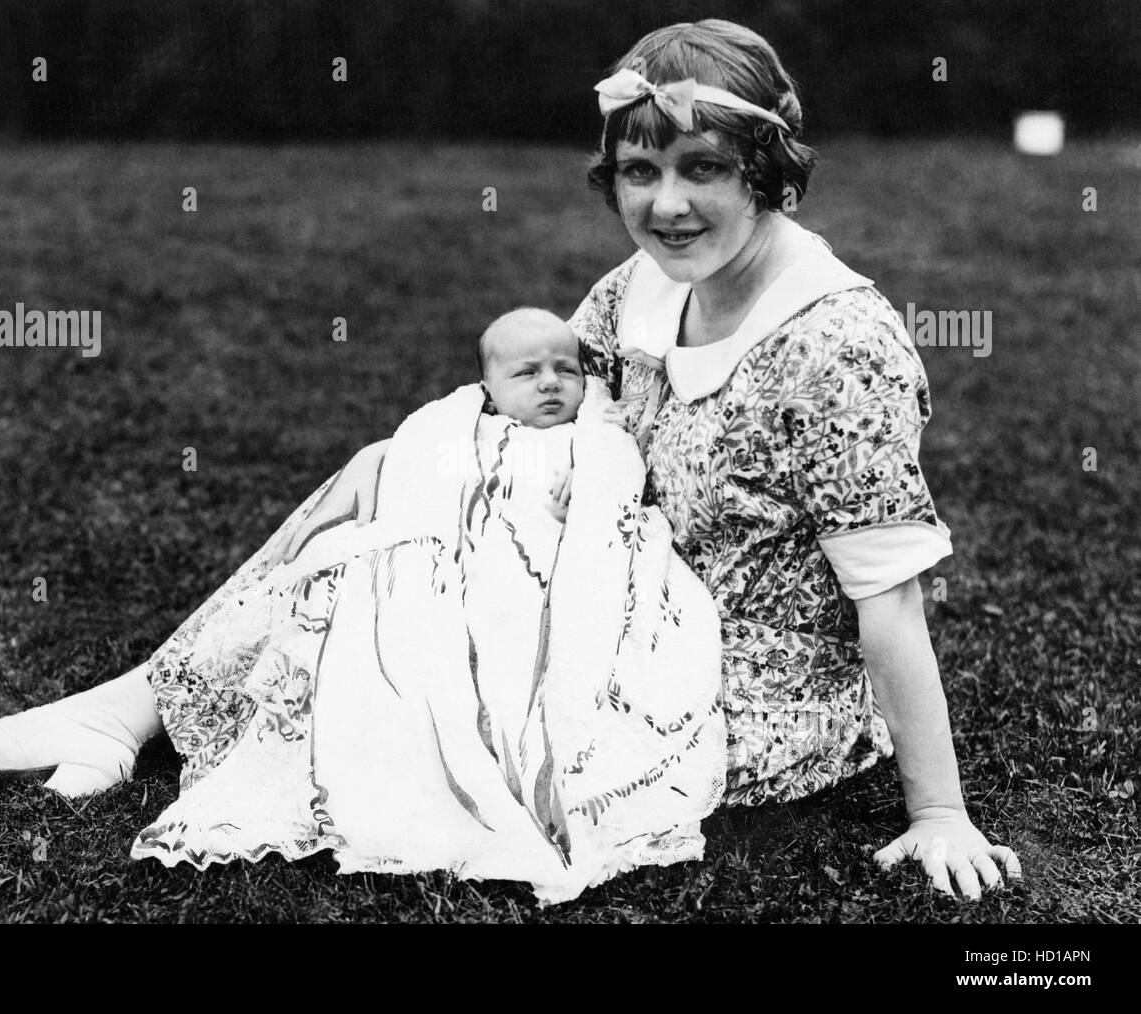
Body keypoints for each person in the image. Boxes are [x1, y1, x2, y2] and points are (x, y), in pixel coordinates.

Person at [270, 19, 1023, 901]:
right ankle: (134, 706)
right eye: (640, 171)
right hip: (610, 602)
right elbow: (540, 416)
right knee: (385, 543)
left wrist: (938, 811)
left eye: (702, 167)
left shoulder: (839, 344)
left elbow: (887, 593)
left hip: (743, 686)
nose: (666, 205)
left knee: (425, 679)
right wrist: (397, 457)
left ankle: (153, 714)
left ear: (766, 169)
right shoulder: (645, 283)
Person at [0, 303, 727, 905]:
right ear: (485, 386)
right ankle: (114, 723)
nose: (553, 383)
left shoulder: (593, 433)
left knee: (392, 610)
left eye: (567, 370)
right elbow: (440, 468)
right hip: (449, 550)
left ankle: (116, 721)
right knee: (341, 567)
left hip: (542, 586)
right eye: (528, 373)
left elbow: (605, 504)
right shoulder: (477, 417)